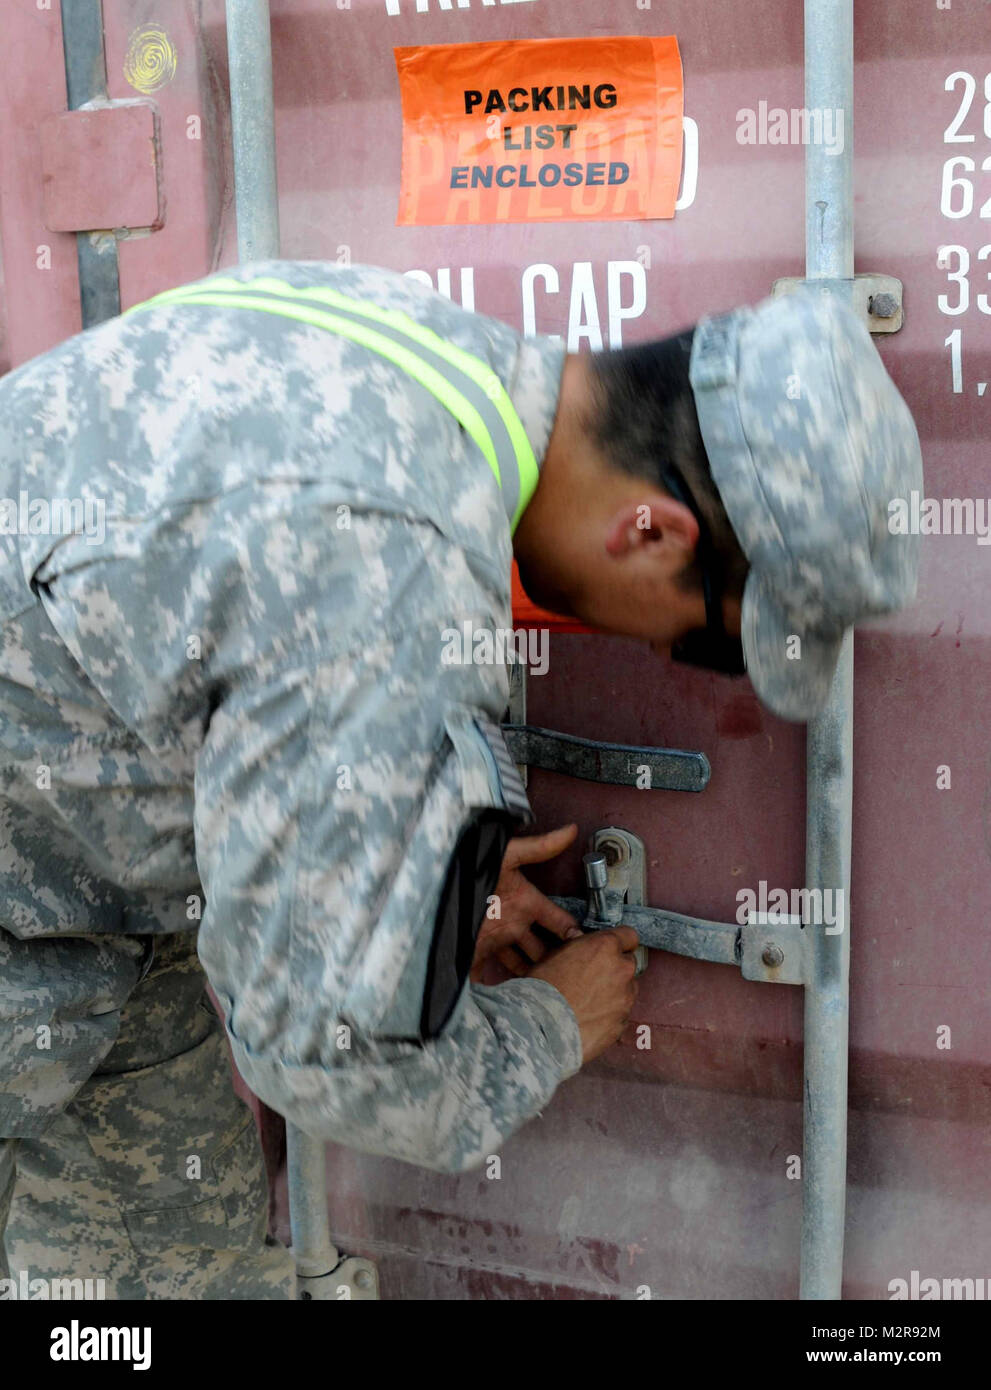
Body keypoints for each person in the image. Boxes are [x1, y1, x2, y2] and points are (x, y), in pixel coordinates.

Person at [0, 262, 922, 1298]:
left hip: (82, 879)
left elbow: (202, 665)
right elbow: (324, 1057)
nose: (666, 657)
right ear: (652, 530)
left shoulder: (398, 339)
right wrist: (548, 1025)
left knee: (162, 1259)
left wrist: (421, 885)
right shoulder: (394, 575)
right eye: (709, 640)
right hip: (34, 917)